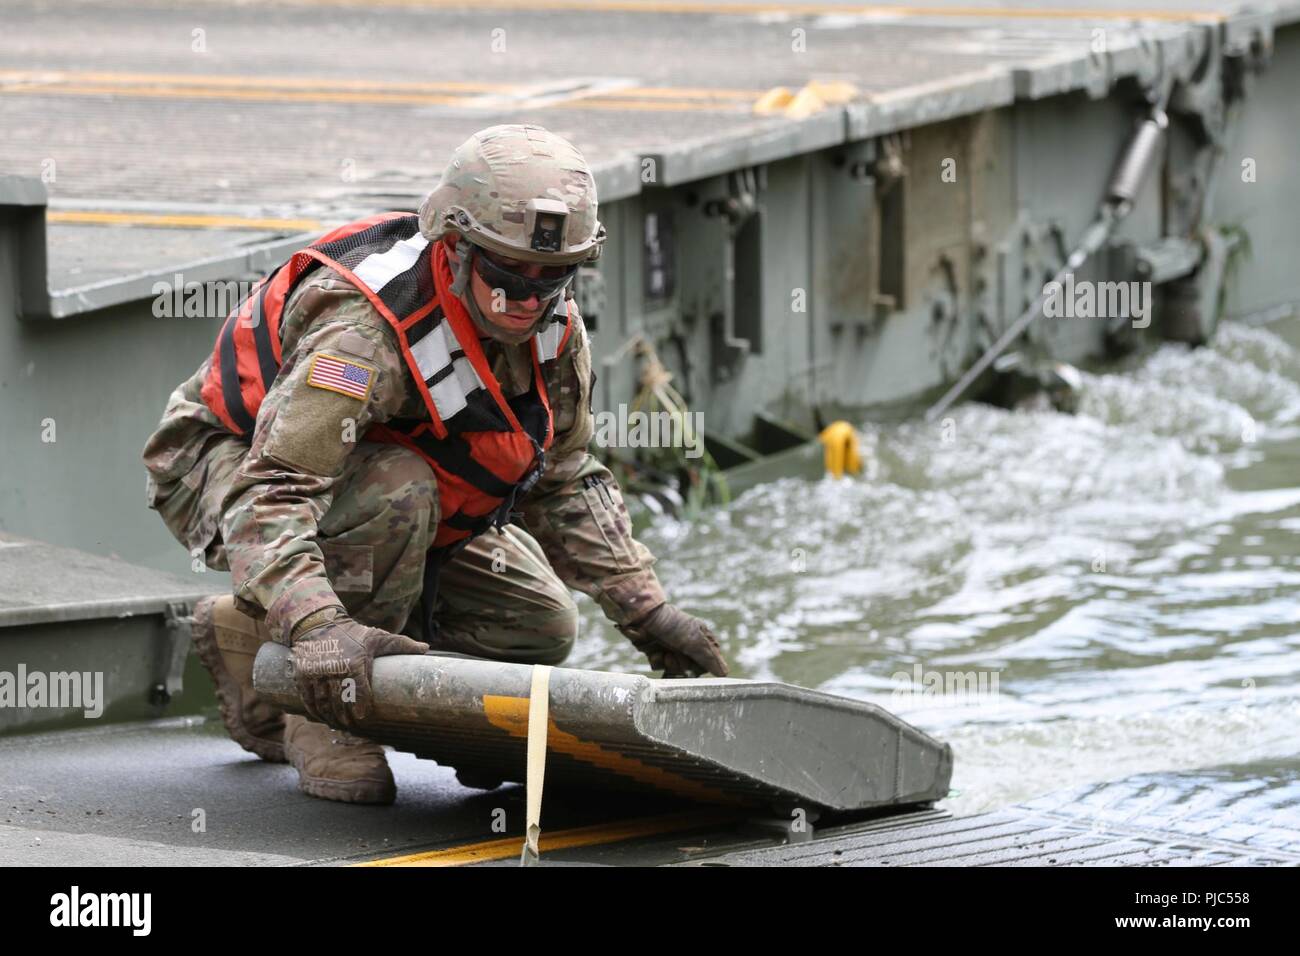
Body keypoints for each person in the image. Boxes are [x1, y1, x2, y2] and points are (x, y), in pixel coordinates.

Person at [142, 123, 728, 805]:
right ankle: (321, 706)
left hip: (373, 486)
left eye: (552, 277)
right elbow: (273, 492)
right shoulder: (365, 331)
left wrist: (648, 612)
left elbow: (564, 480)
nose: (528, 299)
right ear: (456, 249)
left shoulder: (553, 331)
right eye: (509, 274)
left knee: (537, 624)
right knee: (399, 488)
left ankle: (254, 630)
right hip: (227, 464)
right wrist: (319, 627)